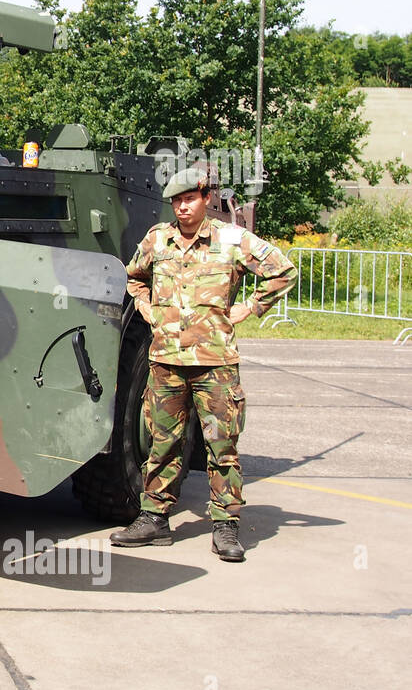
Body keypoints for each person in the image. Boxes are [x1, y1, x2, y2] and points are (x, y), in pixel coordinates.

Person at [111, 165, 297, 561]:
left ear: (206, 198)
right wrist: (144, 306)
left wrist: (251, 306)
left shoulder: (231, 240)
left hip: (215, 364)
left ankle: (226, 526)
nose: (181, 208)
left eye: (189, 199)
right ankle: (154, 518)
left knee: (221, 447)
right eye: (176, 201)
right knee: (162, 443)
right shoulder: (157, 240)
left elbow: (282, 271)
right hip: (164, 361)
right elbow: (132, 277)